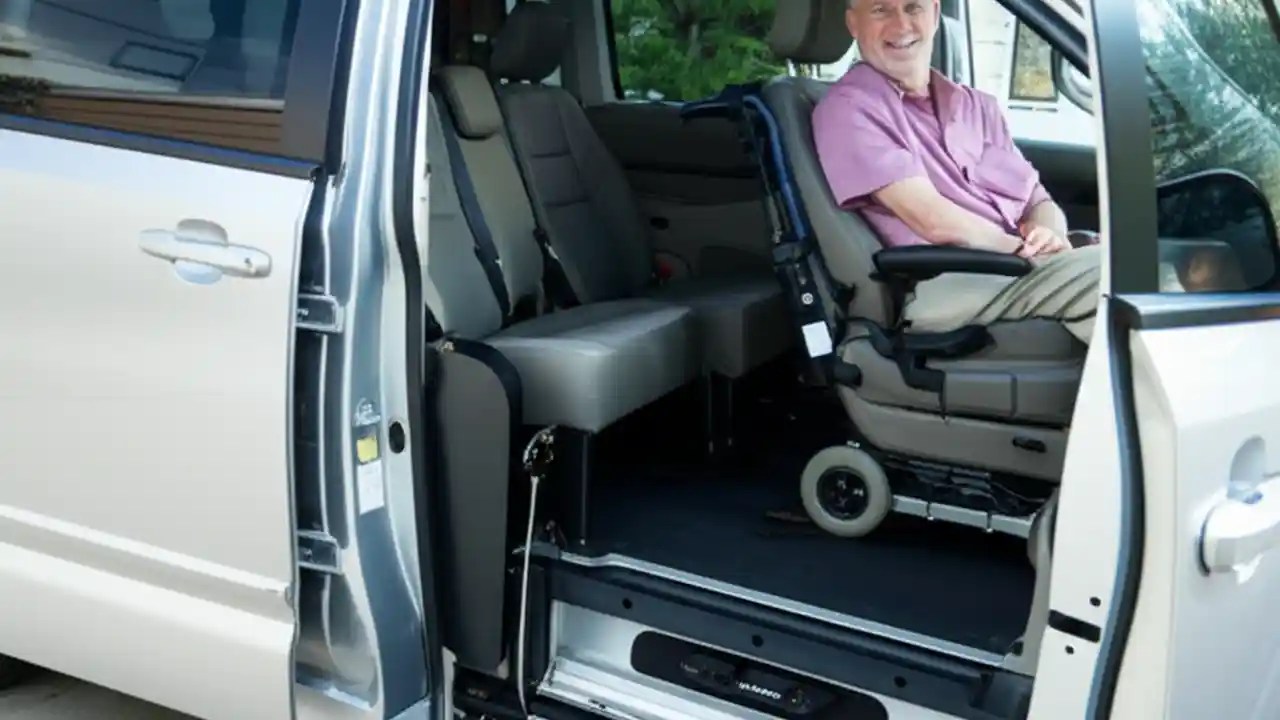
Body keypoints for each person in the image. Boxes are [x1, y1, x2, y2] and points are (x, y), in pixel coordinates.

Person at [812, 0, 1103, 344]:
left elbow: (1038, 198)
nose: (901, 25)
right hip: (953, 282)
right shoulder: (849, 109)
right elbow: (933, 221)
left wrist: (1049, 232)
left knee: (1151, 278)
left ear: (935, 14)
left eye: (913, 7)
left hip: (1017, 270)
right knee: (1128, 279)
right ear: (853, 24)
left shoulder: (979, 107)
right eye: (881, 10)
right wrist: (1027, 252)